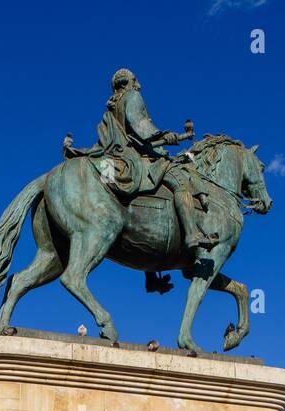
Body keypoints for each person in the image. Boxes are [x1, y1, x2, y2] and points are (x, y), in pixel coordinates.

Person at [69, 69, 214, 273]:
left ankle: (152, 275)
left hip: (115, 155)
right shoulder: (132, 97)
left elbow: (112, 137)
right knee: (181, 181)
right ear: (128, 82)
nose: (139, 85)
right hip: (136, 157)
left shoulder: (110, 110)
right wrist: (165, 136)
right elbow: (140, 126)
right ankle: (192, 234)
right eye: (136, 81)